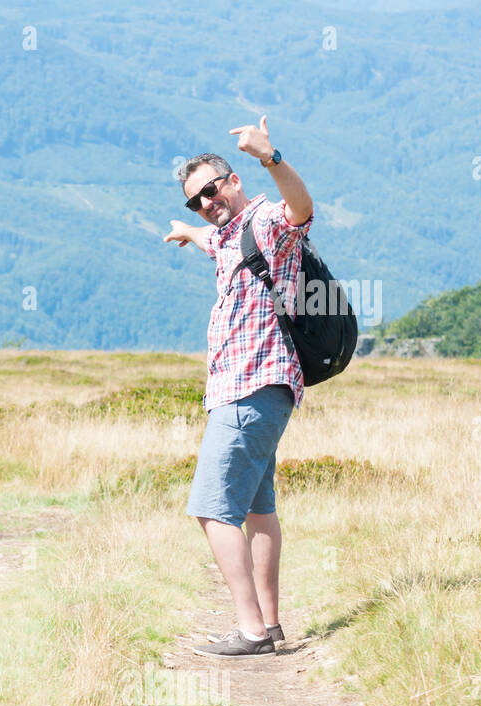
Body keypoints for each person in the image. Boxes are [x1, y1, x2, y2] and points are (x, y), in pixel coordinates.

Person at [162, 116, 313, 658]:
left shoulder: (267, 222)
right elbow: (214, 240)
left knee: (210, 506)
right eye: (193, 200)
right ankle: (270, 626)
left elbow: (301, 209)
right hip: (252, 389)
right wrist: (189, 232)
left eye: (210, 190)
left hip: (251, 388)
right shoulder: (228, 238)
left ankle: (248, 630)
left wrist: (269, 157)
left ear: (232, 181)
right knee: (257, 507)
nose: (204, 202)